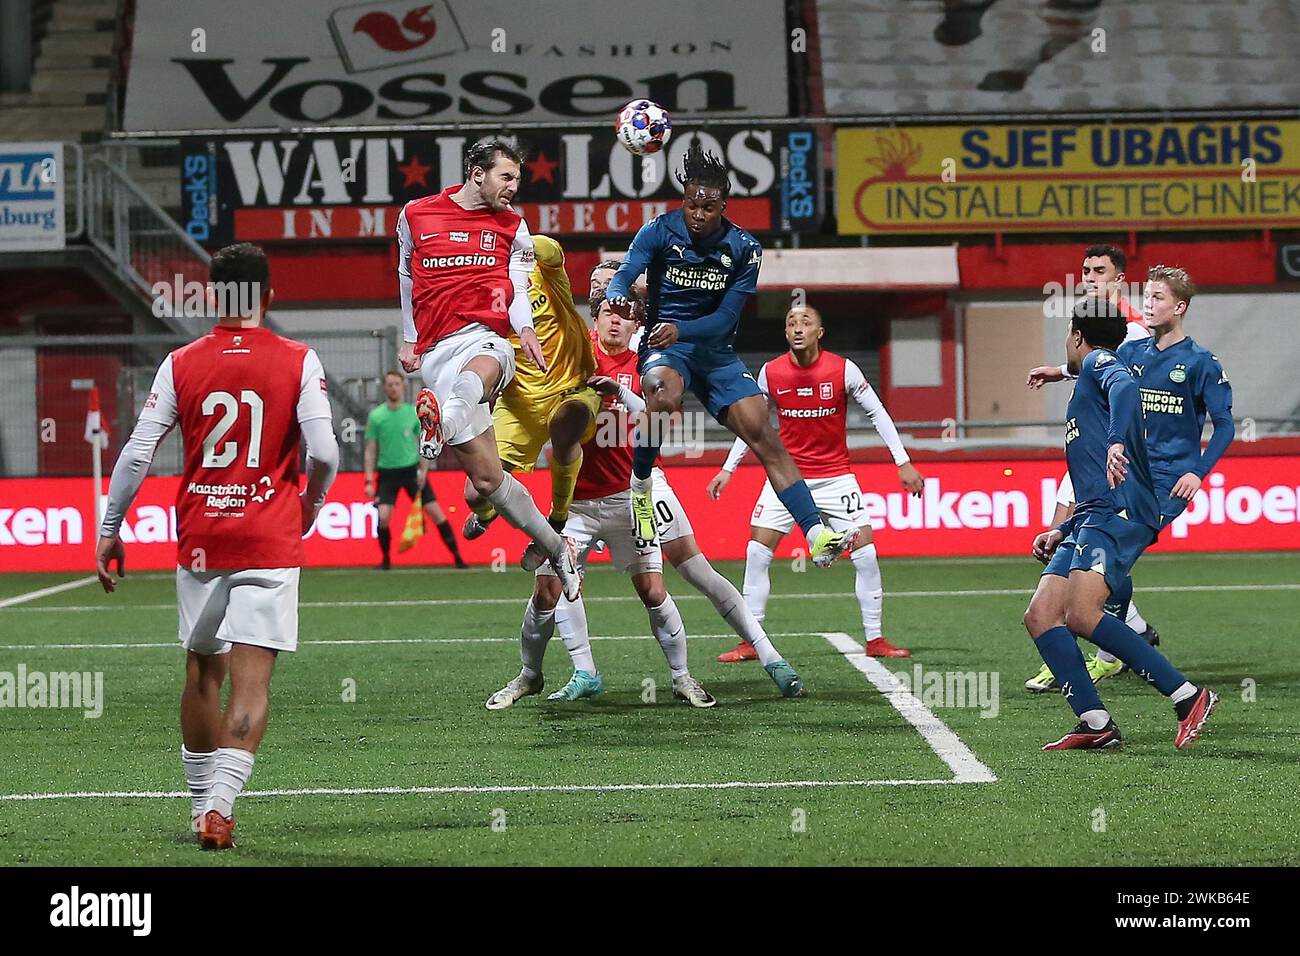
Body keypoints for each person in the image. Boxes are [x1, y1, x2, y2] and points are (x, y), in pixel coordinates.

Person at [94, 242, 339, 848]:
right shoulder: (298, 359)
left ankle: (201, 805)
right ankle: (221, 809)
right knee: (251, 686)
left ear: (211, 297)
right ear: (269, 296)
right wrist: (309, 505)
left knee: (204, 672)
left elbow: (136, 453)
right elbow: (327, 452)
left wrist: (109, 528)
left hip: (203, 537)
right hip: (269, 538)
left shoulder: (181, 363)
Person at [605, 142, 855, 568]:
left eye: (709, 207)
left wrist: (683, 326)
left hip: (715, 351)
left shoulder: (744, 248)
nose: (698, 215)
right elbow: (627, 273)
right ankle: (642, 487)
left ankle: (816, 533)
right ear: (683, 199)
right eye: (692, 205)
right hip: (669, 346)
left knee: (764, 434)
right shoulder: (658, 231)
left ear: (723, 205)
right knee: (661, 397)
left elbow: (725, 318)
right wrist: (616, 293)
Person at [485, 290, 732, 710]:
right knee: (546, 590)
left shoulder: (647, 364)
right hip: (577, 504)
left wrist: (621, 390)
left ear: (637, 326)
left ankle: (682, 678)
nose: (615, 321)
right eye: (607, 314)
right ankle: (530, 675)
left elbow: (661, 419)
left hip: (627, 499)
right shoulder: (574, 358)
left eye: (624, 315)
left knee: (653, 590)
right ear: (593, 320)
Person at [1023, 297, 1217, 750]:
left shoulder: (1097, 360)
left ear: (1075, 335)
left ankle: (1188, 697)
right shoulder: (1088, 374)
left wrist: (1116, 442)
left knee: (1082, 613)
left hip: (1119, 511)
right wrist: (1062, 529)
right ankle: (1095, 724)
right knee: (1041, 615)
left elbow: (1126, 390)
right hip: (1092, 515)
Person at [396, 137, 580, 599]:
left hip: (489, 338)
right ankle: (557, 548)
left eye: (517, 178)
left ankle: (443, 423)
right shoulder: (415, 214)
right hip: (436, 349)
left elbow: (517, 286)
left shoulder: (513, 226)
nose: (514, 187)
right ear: (477, 173)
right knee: (486, 482)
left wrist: (528, 331)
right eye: (507, 176)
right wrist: (409, 335)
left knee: (484, 367)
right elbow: (404, 273)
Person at [708, 305, 924, 659]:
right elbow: (753, 426)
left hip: (837, 478)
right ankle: (751, 640)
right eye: (791, 323)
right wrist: (728, 468)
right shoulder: (771, 372)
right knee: (756, 553)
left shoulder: (843, 370)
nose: (797, 328)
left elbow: (877, 412)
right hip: (785, 479)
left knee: (866, 554)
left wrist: (903, 462)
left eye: (805, 322)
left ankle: (875, 640)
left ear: (819, 333)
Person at [461, 234, 600, 570]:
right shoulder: (480, 296)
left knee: (567, 421)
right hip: (519, 404)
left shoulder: (541, 270)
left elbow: (553, 250)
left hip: (571, 388)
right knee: (475, 492)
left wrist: (512, 238)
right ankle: (486, 513)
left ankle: (557, 519)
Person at [364, 370, 466, 569]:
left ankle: (458, 558)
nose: (393, 388)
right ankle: (385, 560)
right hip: (387, 473)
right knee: (383, 517)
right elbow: (370, 449)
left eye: (396, 384)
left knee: (437, 514)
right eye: (389, 384)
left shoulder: (413, 413)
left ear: (402, 386)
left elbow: (424, 442)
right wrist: (369, 479)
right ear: (385, 388)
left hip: (412, 472)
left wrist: (424, 471)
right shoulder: (376, 416)